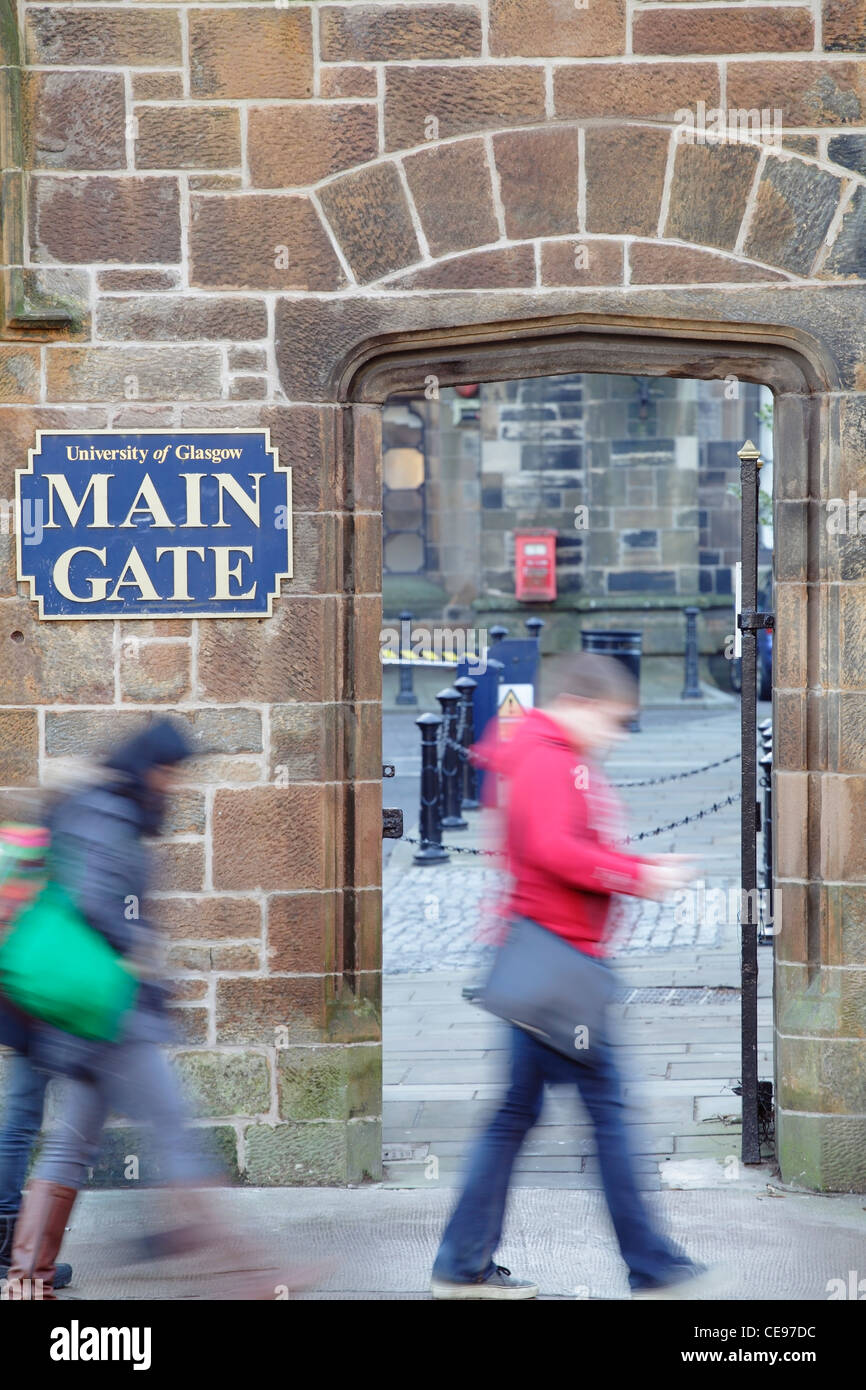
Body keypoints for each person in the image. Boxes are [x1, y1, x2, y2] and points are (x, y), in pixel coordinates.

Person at [430, 652, 715, 1300]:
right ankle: (654, 1266)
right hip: (558, 968)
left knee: (513, 1117)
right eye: (614, 722)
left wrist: (633, 864)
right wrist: (637, 876)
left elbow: (565, 843)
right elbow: (553, 850)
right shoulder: (550, 758)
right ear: (582, 705)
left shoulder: (547, 753)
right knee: (607, 1114)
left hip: (545, 966)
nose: (616, 736)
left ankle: (463, 1265)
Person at [2, 719, 255, 1301]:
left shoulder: (99, 807)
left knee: (73, 1142)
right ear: (150, 767)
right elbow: (99, 902)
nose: (173, 784)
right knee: (173, 1126)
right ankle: (246, 1273)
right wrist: (139, 957)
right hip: (106, 1008)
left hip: (88, 1009)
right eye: (170, 771)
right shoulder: (109, 814)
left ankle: (26, 1278)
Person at [0, 820, 72, 1290]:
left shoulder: (15, 845)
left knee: (22, 1120)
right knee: (37, 1125)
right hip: (42, 1004)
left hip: (18, 1002)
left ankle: (13, 1243)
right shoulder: (47, 849)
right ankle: (17, 1251)